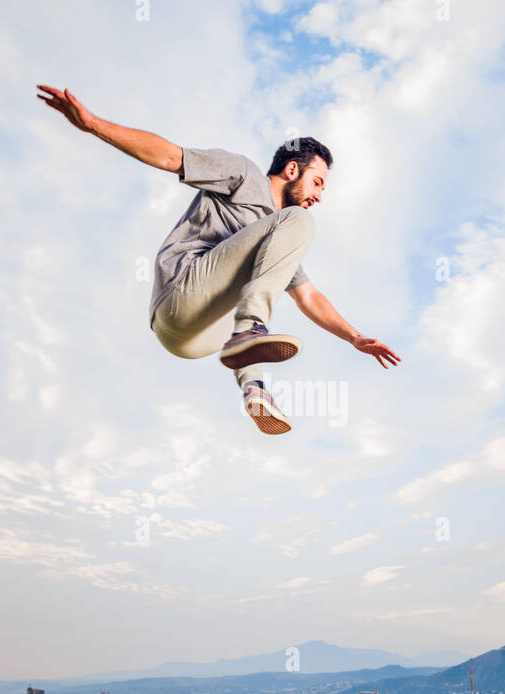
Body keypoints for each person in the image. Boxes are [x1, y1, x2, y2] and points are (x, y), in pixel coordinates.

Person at [36, 85, 401, 434]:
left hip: (188, 339)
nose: (319, 195)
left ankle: (254, 387)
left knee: (271, 268)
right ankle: (249, 337)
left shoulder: (276, 237)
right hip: (180, 292)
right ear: (293, 170)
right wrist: (94, 124)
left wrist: (355, 338)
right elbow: (169, 156)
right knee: (298, 226)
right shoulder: (243, 174)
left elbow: (308, 296)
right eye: (318, 182)